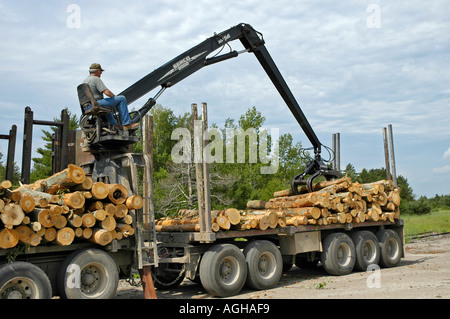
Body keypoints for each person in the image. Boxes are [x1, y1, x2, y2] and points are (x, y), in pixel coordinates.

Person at [83, 63, 139, 130]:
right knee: (122, 98)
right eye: (100, 72)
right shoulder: (96, 79)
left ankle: (114, 125)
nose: (101, 74)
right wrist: (114, 97)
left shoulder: (84, 81)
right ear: (97, 71)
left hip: (87, 106)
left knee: (106, 106)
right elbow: (107, 92)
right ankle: (126, 124)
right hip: (96, 103)